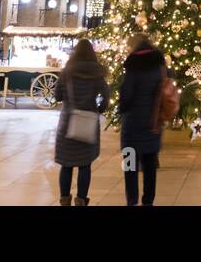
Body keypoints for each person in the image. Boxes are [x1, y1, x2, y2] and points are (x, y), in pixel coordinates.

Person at [54, 39, 109, 206]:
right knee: (85, 164)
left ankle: (64, 200)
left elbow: (57, 96)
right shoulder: (97, 73)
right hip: (88, 123)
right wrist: (100, 108)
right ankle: (81, 200)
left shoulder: (67, 72)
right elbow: (106, 93)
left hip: (67, 123)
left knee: (66, 164)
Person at [118, 33, 167, 206]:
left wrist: (121, 108)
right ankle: (148, 201)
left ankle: (131, 201)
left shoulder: (132, 67)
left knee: (130, 166)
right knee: (150, 167)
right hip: (153, 125)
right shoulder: (161, 66)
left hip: (132, 127)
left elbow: (126, 96)